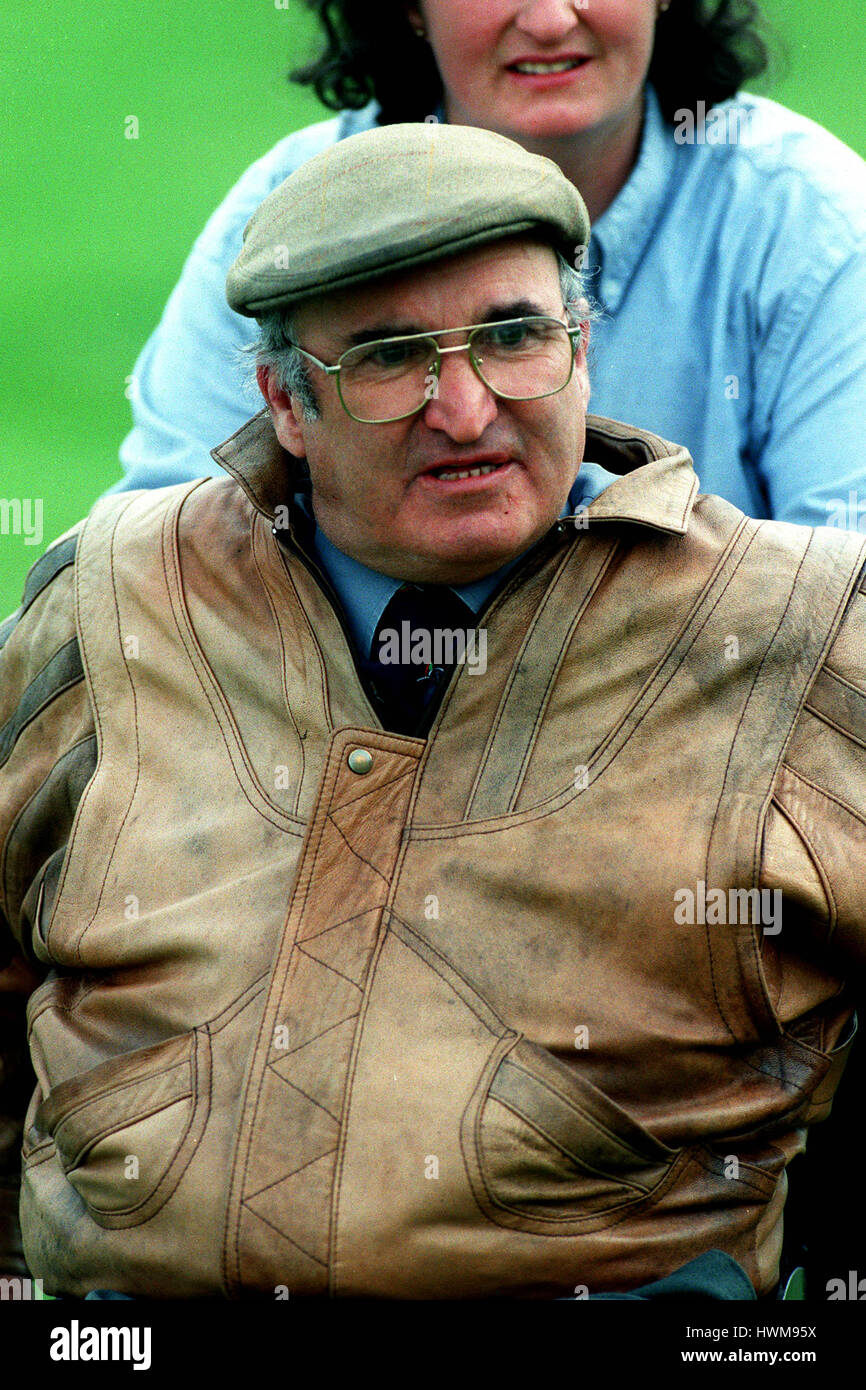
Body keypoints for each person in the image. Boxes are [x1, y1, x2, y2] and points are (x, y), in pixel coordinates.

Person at [1, 121, 865, 1299]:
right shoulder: (112, 606)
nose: (463, 409)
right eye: (389, 357)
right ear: (285, 404)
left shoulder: (795, 629)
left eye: (513, 338)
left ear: (582, 347)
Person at [115, 0, 866, 530]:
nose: (548, 19)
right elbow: (162, 553)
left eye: (514, 336)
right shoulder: (290, 221)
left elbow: (845, 607)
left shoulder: (811, 223)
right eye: (391, 351)